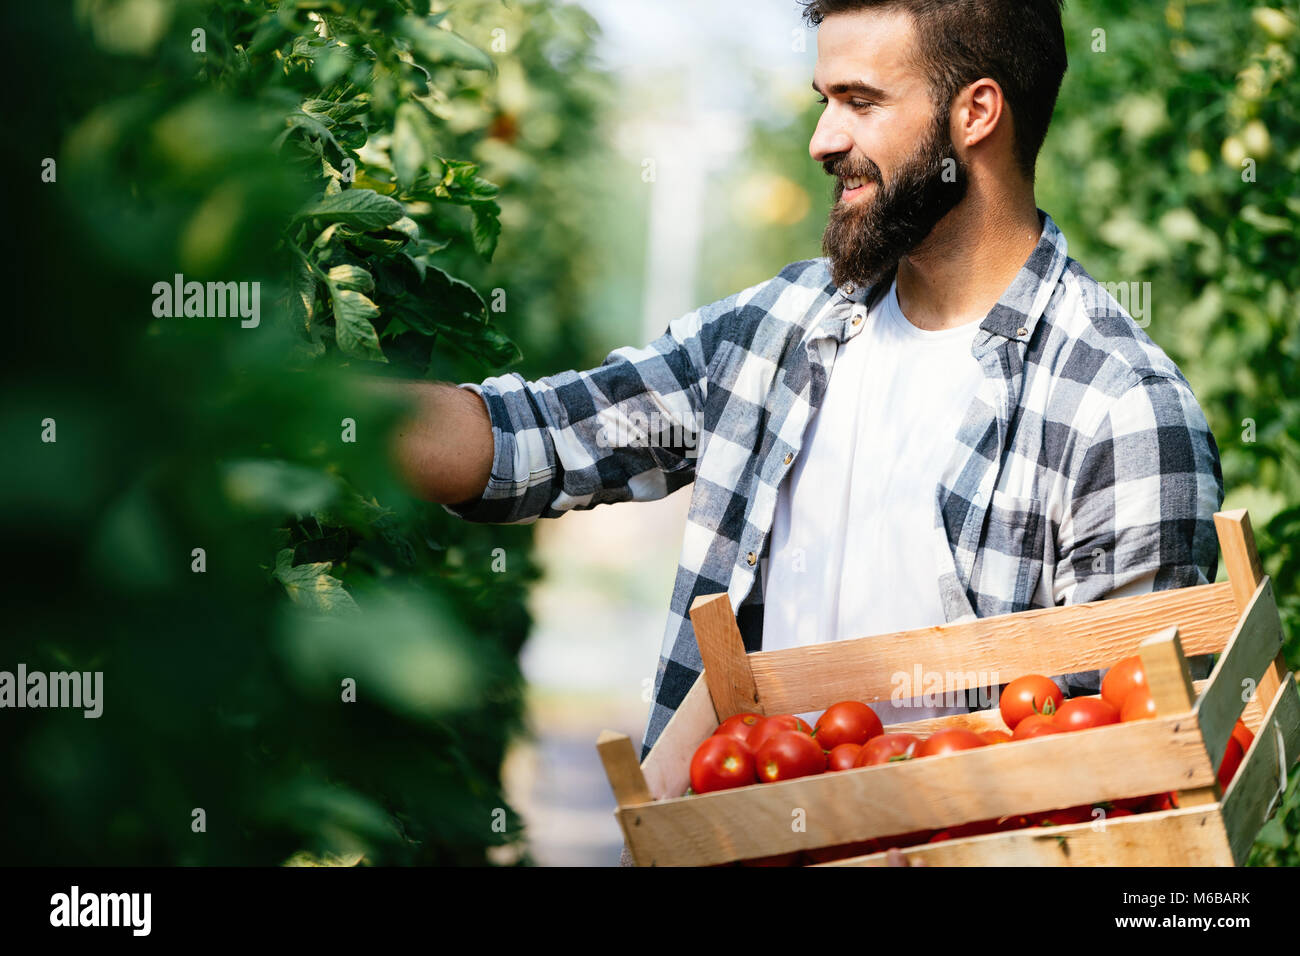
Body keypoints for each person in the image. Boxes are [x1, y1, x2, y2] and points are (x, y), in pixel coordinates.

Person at [388, 0, 1224, 862]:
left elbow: (1127, 794)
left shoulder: (1119, 414)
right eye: (823, 99)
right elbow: (541, 437)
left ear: (976, 113)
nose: (823, 139)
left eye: (861, 102)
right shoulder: (779, 332)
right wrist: (302, 413)